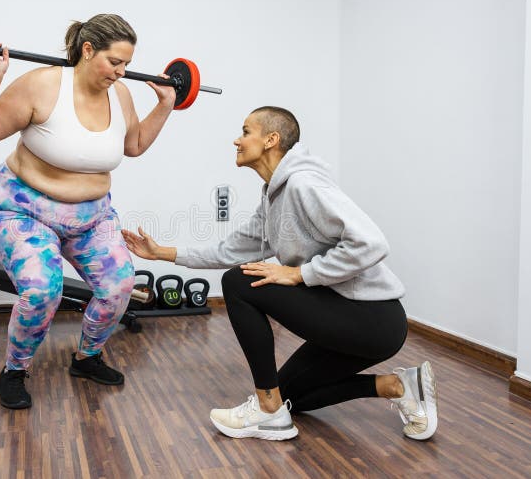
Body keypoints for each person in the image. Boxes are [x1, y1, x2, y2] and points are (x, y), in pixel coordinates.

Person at [122, 106, 438, 441]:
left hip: (373, 319)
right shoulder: (274, 195)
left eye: (246, 131)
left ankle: (268, 411)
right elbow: (231, 250)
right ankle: (398, 386)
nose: (236, 140)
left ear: (271, 139)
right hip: (348, 317)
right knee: (293, 396)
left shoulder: (303, 184)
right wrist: (163, 254)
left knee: (239, 282)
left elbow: (371, 242)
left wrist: (300, 274)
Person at [0, 14, 177, 409]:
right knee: (44, 289)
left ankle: (87, 358)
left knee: (119, 286)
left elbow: (133, 146)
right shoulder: (42, 85)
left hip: (91, 216)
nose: (122, 72)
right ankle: (15, 369)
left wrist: (166, 106)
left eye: (127, 64)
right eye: (115, 62)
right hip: (22, 211)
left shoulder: (121, 94)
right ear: (87, 49)